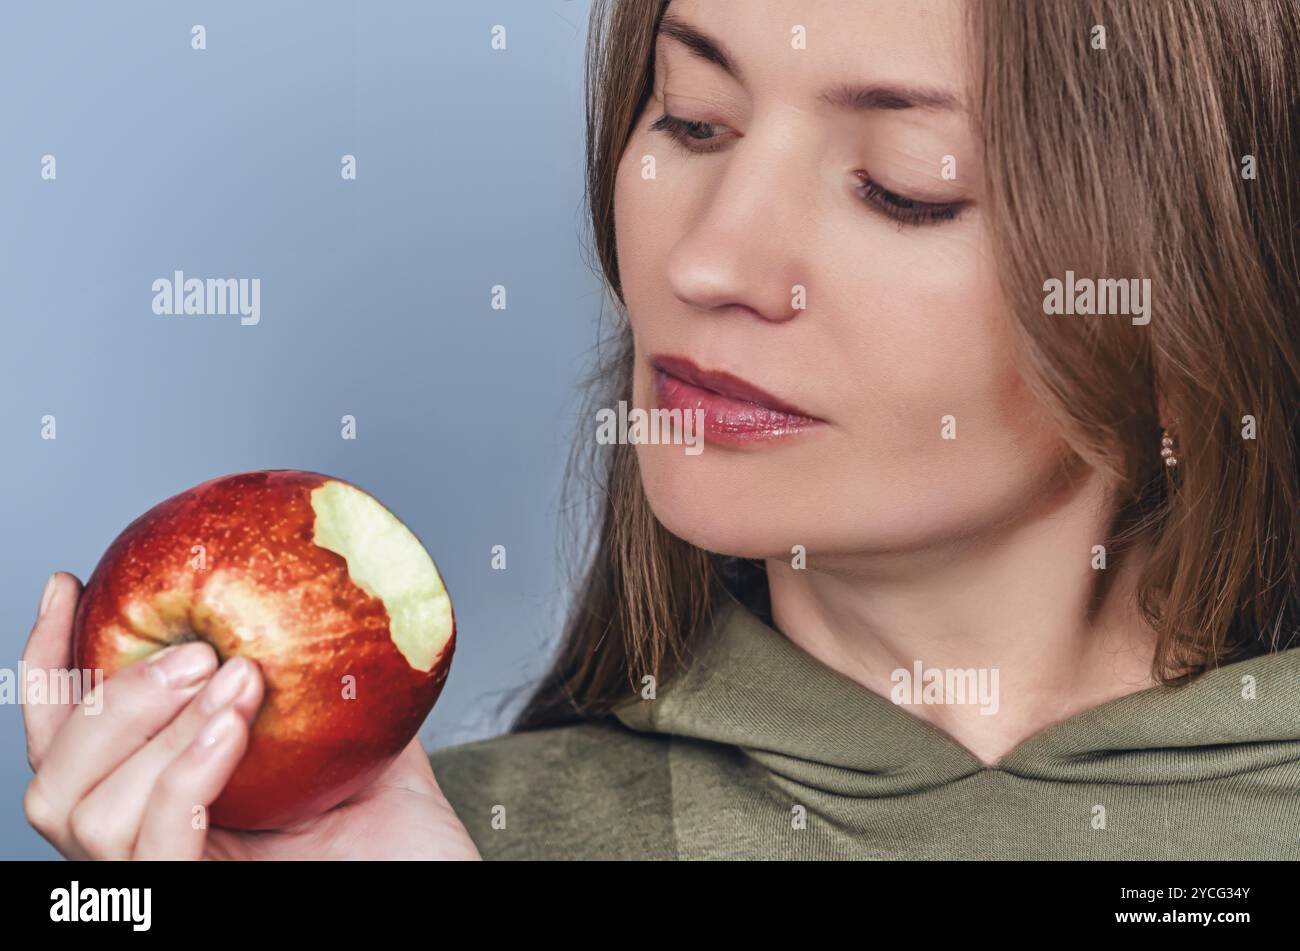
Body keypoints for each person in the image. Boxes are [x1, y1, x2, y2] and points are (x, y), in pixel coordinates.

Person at [23, 0, 1300, 860]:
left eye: (907, 187)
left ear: (1186, 287)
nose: (710, 258)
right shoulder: (444, 844)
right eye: (689, 120)